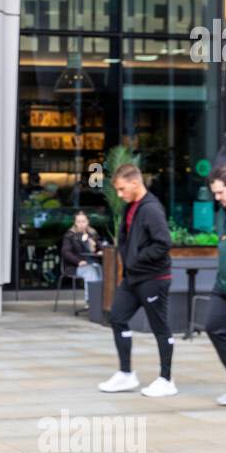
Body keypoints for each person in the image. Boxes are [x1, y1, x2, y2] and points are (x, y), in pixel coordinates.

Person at [99, 163, 176, 398]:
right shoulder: (132, 207)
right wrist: (130, 262)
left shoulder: (151, 209)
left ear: (135, 183)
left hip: (153, 278)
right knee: (117, 317)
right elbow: (126, 239)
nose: (120, 195)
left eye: (122, 189)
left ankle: (166, 379)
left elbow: (163, 243)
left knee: (159, 327)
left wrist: (136, 260)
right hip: (133, 277)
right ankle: (126, 374)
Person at [205, 164, 226, 406]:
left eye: (221, 191)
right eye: (214, 192)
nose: (217, 197)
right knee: (213, 326)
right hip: (222, 286)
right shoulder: (223, 212)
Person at [60, 209, 103, 306]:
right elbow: (65, 252)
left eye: (83, 221)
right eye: (78, 222)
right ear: (75, 223)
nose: (81, 224)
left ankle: (101, 300)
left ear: (88, 222)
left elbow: (100, 247)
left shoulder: (92, 233)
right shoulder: (70, 235)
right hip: (75, 266)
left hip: (93, 263)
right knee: (91, 271)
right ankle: (91, 301)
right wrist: (78, 261)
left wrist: (98, 248)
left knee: (101, 270)